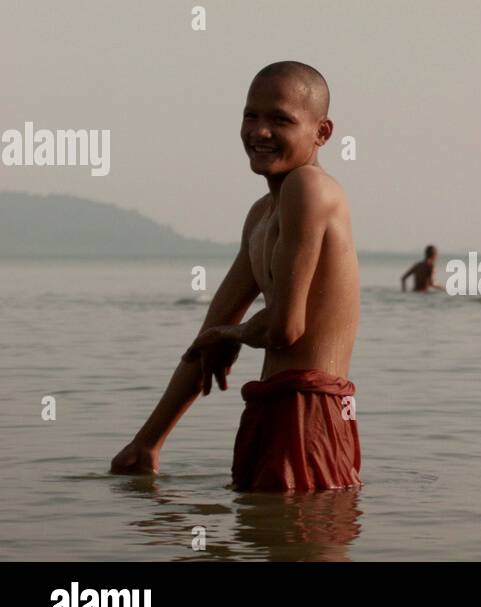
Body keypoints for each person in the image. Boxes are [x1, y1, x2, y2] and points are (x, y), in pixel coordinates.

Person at [111, 61, 362, 492]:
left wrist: (230, 335)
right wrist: (148, 442)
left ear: (322, 133)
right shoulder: (262, 215)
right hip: (270, 408)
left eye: (280, 119)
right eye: (251, 116)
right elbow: (208, 336)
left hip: (310, 413)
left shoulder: (309, 188)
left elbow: (285, 328)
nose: (260, 131)